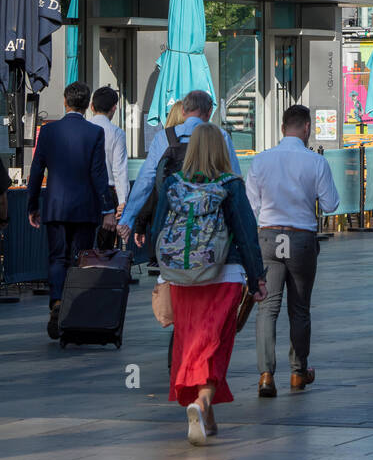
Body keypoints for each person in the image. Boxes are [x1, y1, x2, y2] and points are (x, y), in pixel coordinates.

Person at [151, 122, 266, 444]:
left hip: (182, 277)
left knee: (190, 342)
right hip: (223, 274)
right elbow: (246, 235)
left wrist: (161, 269)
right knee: (215, 343)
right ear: (220, 149)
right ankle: (201, 402)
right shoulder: (231, 185)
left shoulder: (173, 183)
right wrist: (257, 279)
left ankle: (204, 413)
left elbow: (158, 229)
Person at [245, 104, 339, 398]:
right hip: (300, 238)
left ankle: (265, 374)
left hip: (269, 237)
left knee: (267, 308)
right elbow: (331, 204)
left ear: (282, 126)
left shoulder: (261, 161)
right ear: (307, 128)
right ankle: (298, 373)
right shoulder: (316, 162)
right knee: (299, 308)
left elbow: (251, 208)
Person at [26, 81, 116, 339]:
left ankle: (56, 301)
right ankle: (74, 310)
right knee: (80, 260)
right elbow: (99, 174)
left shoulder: (49, 131)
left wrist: (33, 204)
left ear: (65, 101)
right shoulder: (93, 133)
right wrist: (107, 208)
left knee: (57, 258)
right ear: (88, 105)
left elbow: (36, 171)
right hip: (85, 209)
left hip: (55, 206)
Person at [118, 89, 240, 240]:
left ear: (183, 111)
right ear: (209, 112)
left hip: (170, 221)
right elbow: (233, 180)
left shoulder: (163, 137)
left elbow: (145, 180)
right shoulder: (221, 137)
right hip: (210, 222)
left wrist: (128, 218)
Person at [89, 85, 130, 222]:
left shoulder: (84, 129)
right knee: (107, 241)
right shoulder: (117, 133)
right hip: (109, 193)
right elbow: (119, 170)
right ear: (114, 108)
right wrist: (123, 200)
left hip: (84, 192)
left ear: (92, 107)